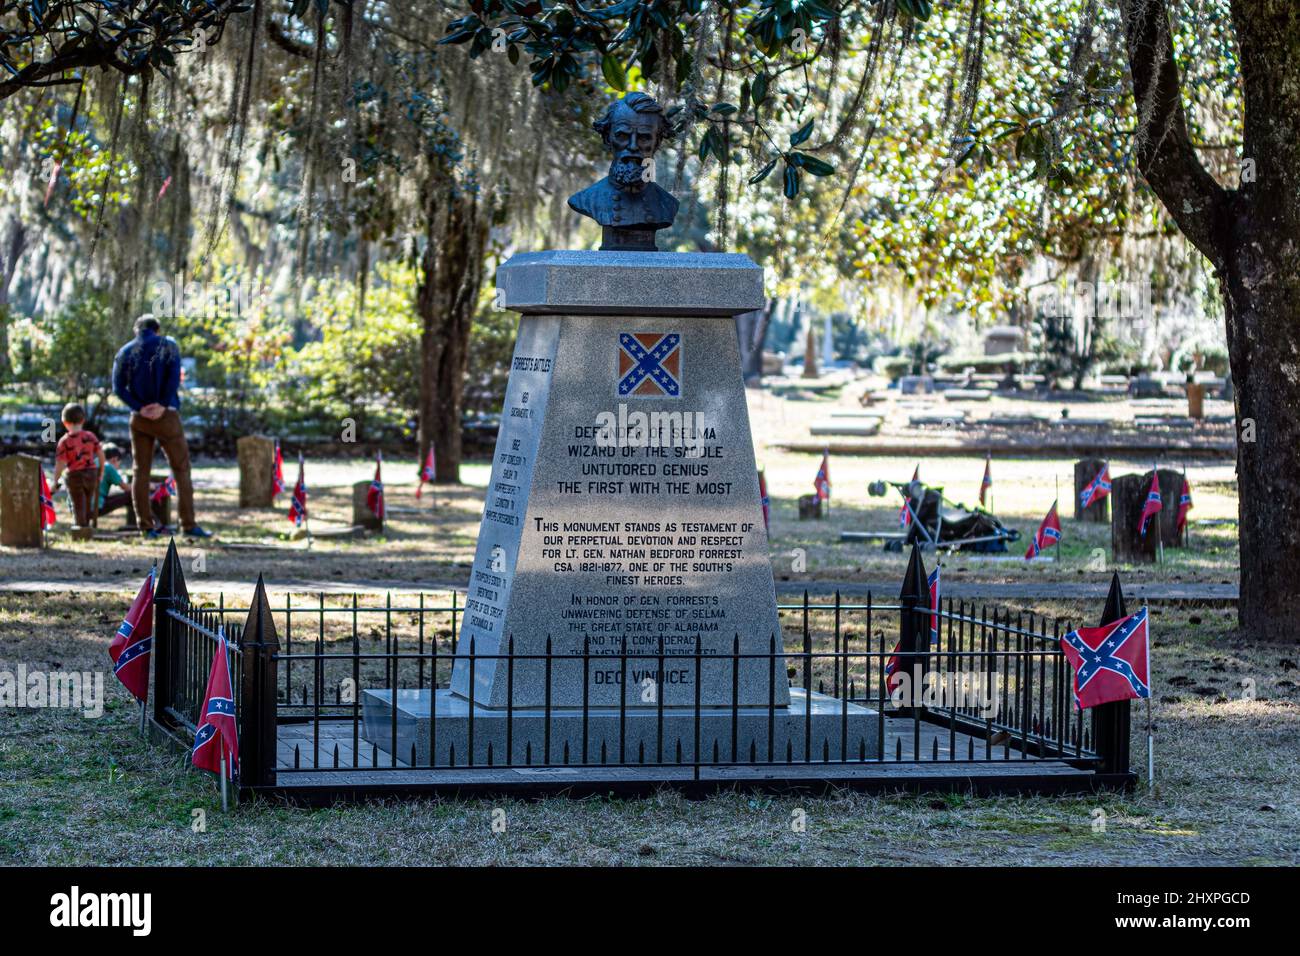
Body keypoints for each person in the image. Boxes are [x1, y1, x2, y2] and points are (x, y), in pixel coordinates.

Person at [111, 314, 212, 539]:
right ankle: (188, 524)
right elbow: (174, 378)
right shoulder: (169, 345)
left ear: (137, 330)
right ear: (157, 329)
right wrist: (162, 405)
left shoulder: (125, 351)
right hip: (167, 416)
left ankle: (146, 527)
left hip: (139, 418)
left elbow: (118, 387)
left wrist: (139, 407)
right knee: (181, 469)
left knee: (141, 471)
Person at [52, 402, 104, 529]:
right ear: (83, 420)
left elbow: (60, 464)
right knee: (87, 501)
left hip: (74, 475)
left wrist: (55, 481)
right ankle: (85, 524)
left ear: (64, 423)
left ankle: (81, 527)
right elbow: (101, 454)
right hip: (91, 473)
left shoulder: (64, 441)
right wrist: (101, 472)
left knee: (78, 503)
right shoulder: (90, 436)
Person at [97, 443, 136, 526]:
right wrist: (144, 487)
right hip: (96, 508)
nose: (118, 467)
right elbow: (126, 488)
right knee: (132, 495)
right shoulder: (108, 467)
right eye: (119, 463)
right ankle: (144, 523)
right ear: (114, 459)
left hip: (81, 507)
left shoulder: (96, 462)